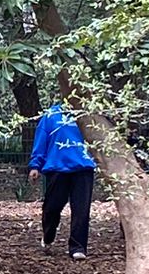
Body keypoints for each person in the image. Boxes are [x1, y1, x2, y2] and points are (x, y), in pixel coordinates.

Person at [28, 104, 97, 260]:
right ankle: (48, 235)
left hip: (83, 168)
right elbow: (41, 140)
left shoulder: (89, 114)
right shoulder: (52, 115)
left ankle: (78, 247)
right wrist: (35, 165)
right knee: (52, 207)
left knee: (81, 210)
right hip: (57, 168)